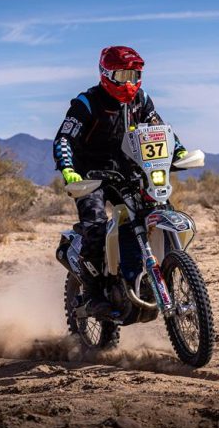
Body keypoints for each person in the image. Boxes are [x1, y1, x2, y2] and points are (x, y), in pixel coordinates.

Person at [53, 45, 187, 316]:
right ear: (105, 74)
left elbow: (160, 130)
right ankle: (92, 294)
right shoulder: (87, 102)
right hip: (91, 177)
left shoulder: (142, 100)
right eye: (122, 75)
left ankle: (167, 271)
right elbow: (64, 138)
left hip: (131, 174)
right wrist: (69, 169)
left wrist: (179, 150)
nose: (129, 82)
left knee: (161, 208)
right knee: (96, 226)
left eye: (134, 75)